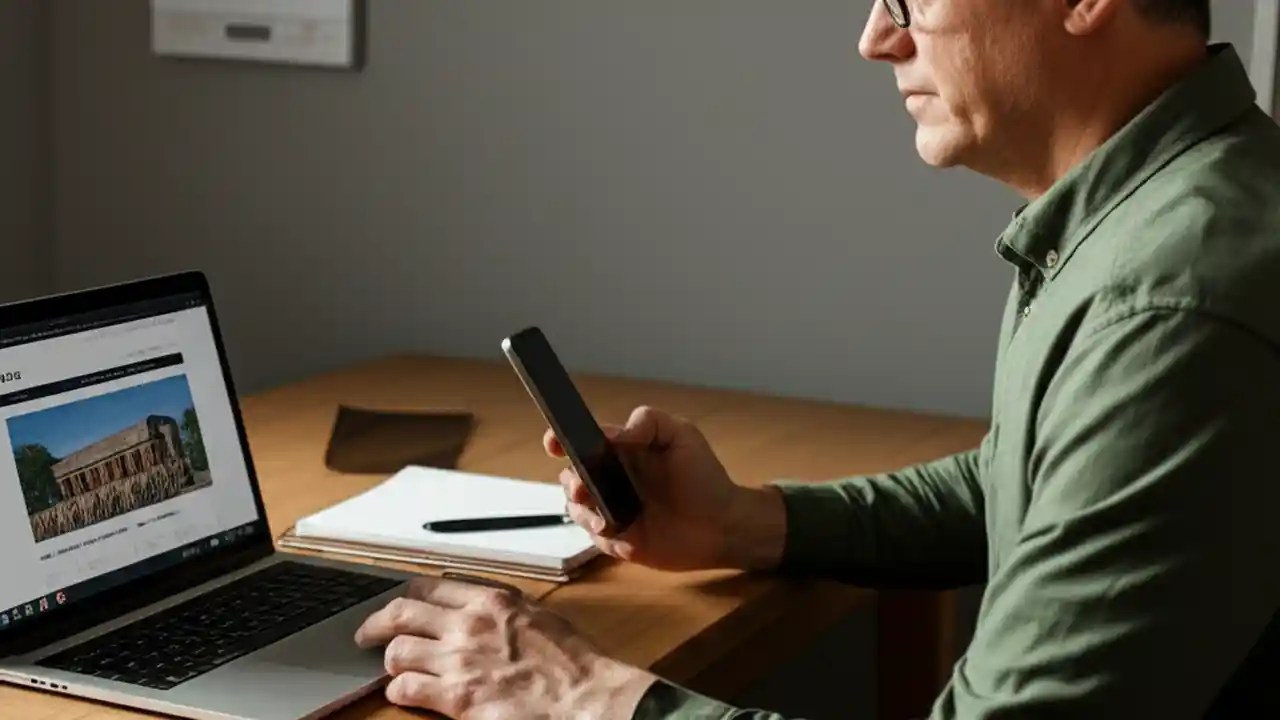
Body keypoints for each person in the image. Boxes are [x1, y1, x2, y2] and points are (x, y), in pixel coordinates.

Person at [354, 0, 1280, 717]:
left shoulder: (1169, 308)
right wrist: (745, 525)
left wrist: (583, 695)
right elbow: (1025, 486)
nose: (877, 39)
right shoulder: (1166, 209)